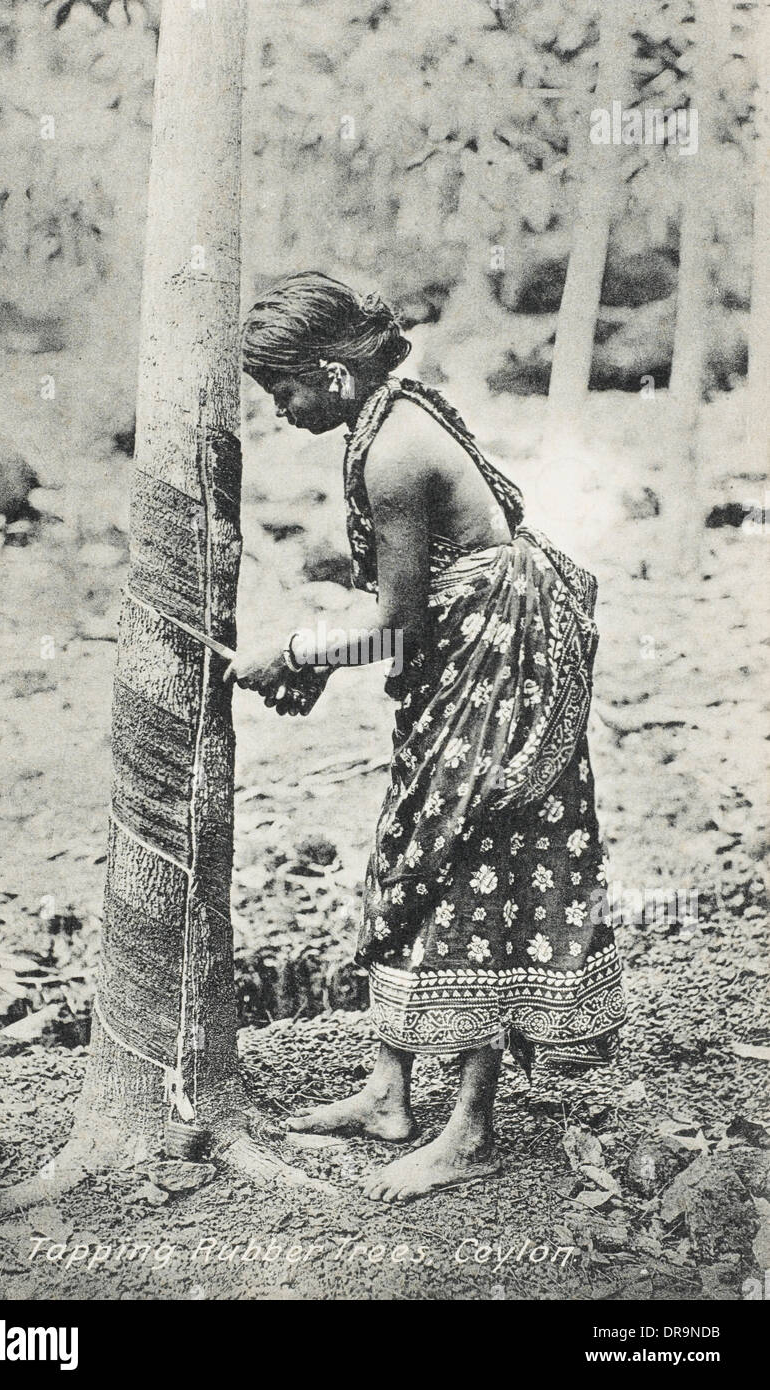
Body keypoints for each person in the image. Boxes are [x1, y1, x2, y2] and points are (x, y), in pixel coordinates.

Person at [227, 271, 626, 1202]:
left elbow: (397, 624)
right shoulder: (386, 416)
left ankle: (470, 1127)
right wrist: (317, 665)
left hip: (498, 671)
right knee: (415, 843)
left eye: (282, 389)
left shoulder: (394, 452)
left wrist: (294, 652)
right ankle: (387, 1092)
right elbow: (403, 612)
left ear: (330, 373)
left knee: (473, 861)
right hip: (468, 662)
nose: (278, 410)